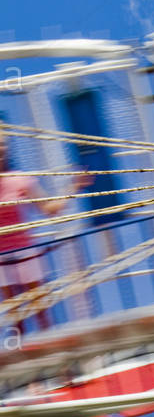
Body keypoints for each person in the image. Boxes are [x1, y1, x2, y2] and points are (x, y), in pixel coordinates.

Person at [0, 127, 88, 329]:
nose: (1, 149)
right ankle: (21, 356)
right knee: (15, 319)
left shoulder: (20, 179)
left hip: (26, 253)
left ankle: (54, 355)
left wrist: (73, 187)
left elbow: (49, 208)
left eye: (3, 144)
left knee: (41, 311)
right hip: (1, 258)